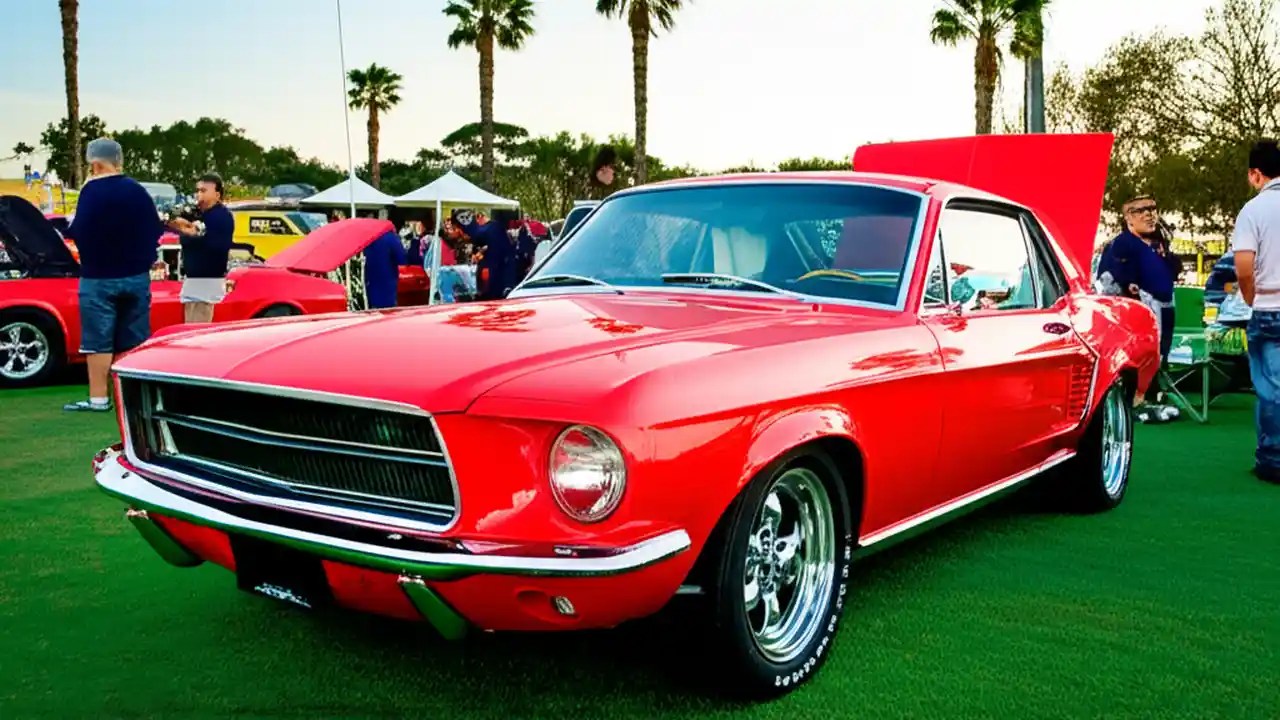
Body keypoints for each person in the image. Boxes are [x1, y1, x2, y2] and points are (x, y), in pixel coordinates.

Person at [62, 138, 164, 412]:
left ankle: (98, 399)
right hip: (136, 276)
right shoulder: (137, 191)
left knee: (98, 339)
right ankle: (131, 400)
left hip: (99, 277)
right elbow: (155, 229)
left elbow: (80, 230)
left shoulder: (92, 191)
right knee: (133, 338)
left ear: (95, 163)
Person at [1096, 194, 1179, 420]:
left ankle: (1150, 397)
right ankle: (1135, 401)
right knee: (1142, 355)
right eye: (1140, 210)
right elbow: (1107, 282)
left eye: (1152, 208)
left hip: (1164, 305)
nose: (1148, 214)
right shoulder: (1121, 244)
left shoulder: (1159, 243)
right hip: (1139, 312)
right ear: (1128, 218)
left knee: (1160, 354)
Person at [1230, 139, 1280, 484]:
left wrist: (1249, 297)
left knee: (1270, 387)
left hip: (1268, 308)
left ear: (1255, 173)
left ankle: (1273, 458)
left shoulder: (1253, 211)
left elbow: (1244, 267)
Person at [168, 173, 233, 323]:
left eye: (204, 191)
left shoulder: (220, 217)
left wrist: (188, 232)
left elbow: (213, 245)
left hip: (206, 286)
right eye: (198, 191)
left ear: (217, 195)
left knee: (197, 330)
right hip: (194, 283)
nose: (199, 195)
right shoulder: (199, 214)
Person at [363, 227, 406, 309]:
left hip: (370, 285)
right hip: (388, 285)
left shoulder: (367, 238)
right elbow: (402, 259)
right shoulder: (391, 238)